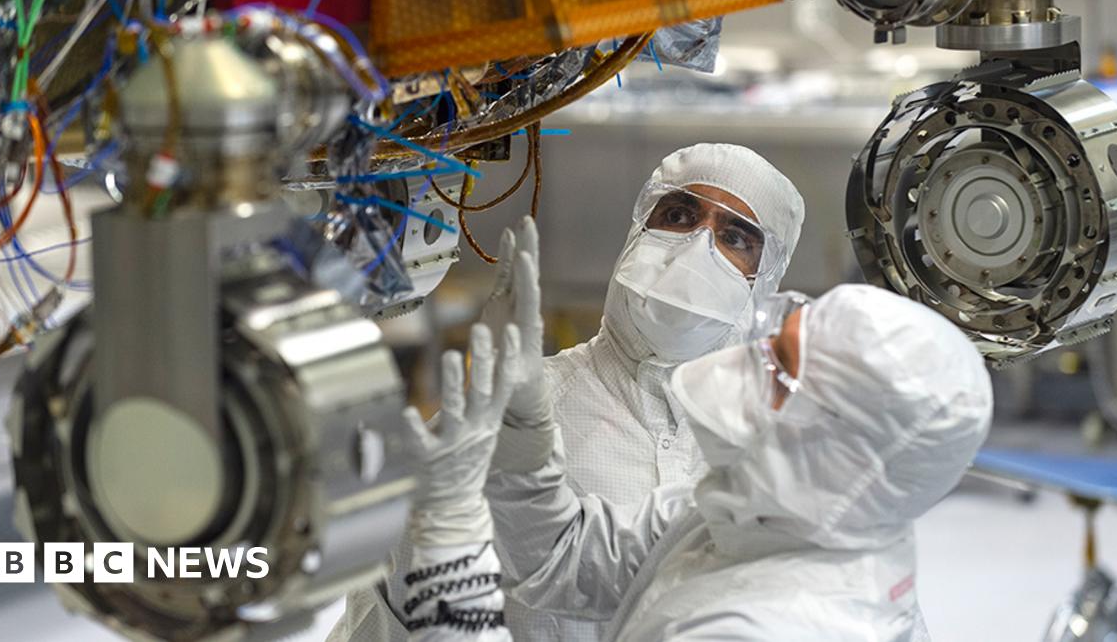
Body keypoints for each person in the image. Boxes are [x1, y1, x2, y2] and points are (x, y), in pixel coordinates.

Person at [330, 142, 806, 641]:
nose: (697, 249)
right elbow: (381, 619)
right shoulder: (508, 415)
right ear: (638, 231)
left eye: (735, 236)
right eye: (680, 215)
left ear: (766, 278)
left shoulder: (774, 453)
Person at [398, 283, 994, 640]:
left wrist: (459, 618)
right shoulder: (773, 516)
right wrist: (522, 467)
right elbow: (581, 559)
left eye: (781, 364)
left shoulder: (762, 627)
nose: (751, 360)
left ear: (838, 443)